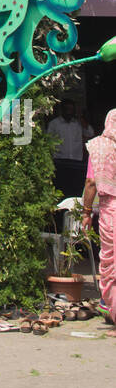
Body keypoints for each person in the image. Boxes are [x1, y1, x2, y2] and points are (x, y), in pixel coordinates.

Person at [81, 109, 116, 334]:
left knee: (111, 264)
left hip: (111, 212)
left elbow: (91, 182)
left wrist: (86, 212)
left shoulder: (99, 147)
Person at [48, 99, 87, 197]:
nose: (69, 112)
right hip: (60, 161)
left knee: (75, 189)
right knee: (61, 188)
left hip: (76, 161)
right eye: (67, 109)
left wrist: (82, 121)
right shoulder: (54, 124)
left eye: (71, 110)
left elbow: (90, 133)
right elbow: (48, 141)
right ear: (62, 110)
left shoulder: (78, 124)